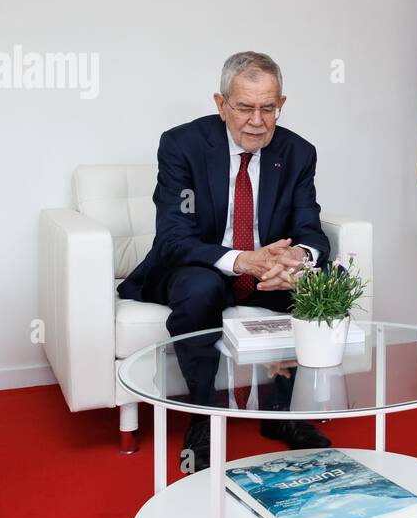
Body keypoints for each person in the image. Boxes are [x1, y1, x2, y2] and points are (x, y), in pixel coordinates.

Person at [118, 51, 332, 472]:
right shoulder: (182, 145)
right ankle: (202, 417)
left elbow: (311, 230)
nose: (257, 120)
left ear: (281, 105)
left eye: (268, 108)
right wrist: (242, 261)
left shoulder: (298, 153)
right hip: (194, 265)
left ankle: (282, 414)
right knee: (203, 288)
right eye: (245, 107)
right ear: (221, 104)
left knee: (310, 287)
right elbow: (175, 238)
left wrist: (296, 260)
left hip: (264, 270)